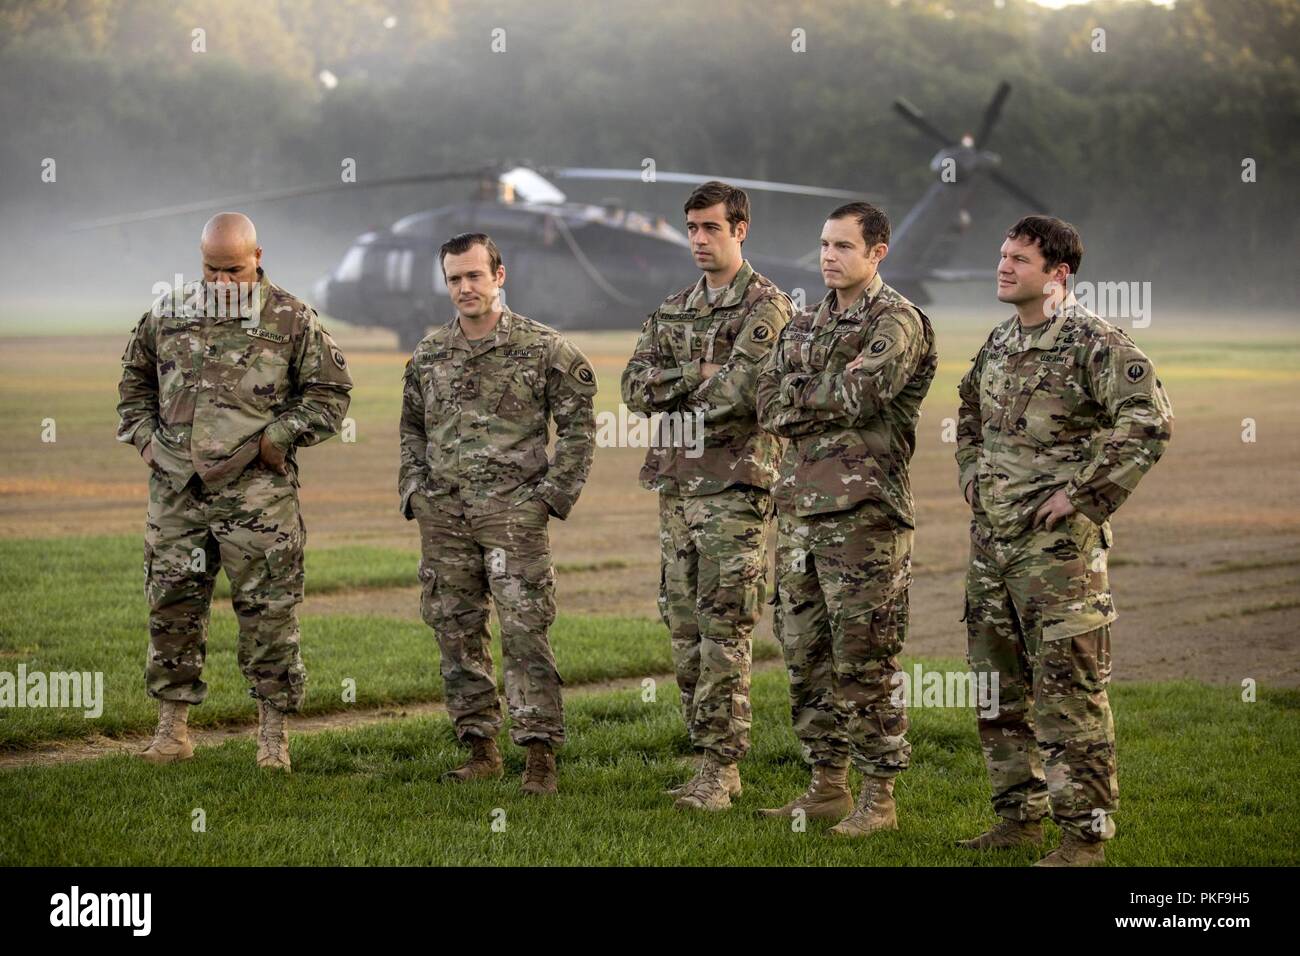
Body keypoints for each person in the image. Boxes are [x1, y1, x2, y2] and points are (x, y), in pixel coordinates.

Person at [955, 215, 1173, 865]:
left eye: (1019, 259)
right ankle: (1017, 819)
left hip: (1057, 559)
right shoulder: (999, 343)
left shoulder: (1094, 342)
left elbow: (1149, 423)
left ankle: (1084, 838)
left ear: (1058, 275)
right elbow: (967, 412)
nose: (1003, 267)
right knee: (998, 691)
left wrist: (1082, 495)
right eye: (1002, 256)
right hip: (991, 550)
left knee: (1069, 694)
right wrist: (969, 475)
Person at [116, 212, 353, 771]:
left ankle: (272, 736)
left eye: (234, 270)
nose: (221, 283)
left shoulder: (292, 319)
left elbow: (329, 395)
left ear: (258, 256)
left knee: (269, 615)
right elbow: (134, 382)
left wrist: (277, 437)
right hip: (176, 494)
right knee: (171, 607)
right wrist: (147, 442)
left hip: (257, 499)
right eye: (210, 269)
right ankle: (172, 731)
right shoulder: (168, 313)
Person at [399, 232, 597, 795]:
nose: (464, 287)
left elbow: (581, 428)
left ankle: (539, 758)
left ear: (499, 276)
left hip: (514, 515)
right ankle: (479, 748)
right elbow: (412, 427)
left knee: (525, 631)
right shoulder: (430, 352)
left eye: (474, 276)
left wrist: (552, 498)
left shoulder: (544, 348)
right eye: (454, 279)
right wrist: (415, 490)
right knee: (455, 630)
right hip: (445, 516)